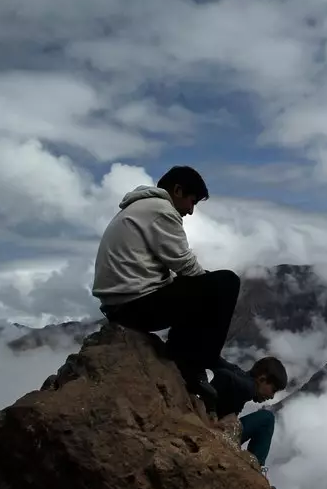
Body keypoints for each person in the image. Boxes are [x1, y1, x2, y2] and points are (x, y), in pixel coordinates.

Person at [90, 165, 241, 408]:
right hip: (135, 306)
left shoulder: (139, 208)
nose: (191, 211)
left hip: (120, 305)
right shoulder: (161, 210)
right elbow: (185, 264)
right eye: (192, 201)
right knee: (227, 282)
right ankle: (198, 362)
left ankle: (185, 358)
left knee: (195, 288)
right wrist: (210, 284)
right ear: (178, 190)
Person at [210, 356, 288, 472]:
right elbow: (223, 376)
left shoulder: (241, 375)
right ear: (262, 379)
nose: (272, 396)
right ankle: (255, 468)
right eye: (273, 390)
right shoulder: (249, 388)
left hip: (222, 427)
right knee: (267, 419)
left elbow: (215, 361)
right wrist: (211, 413)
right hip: (218, 432)